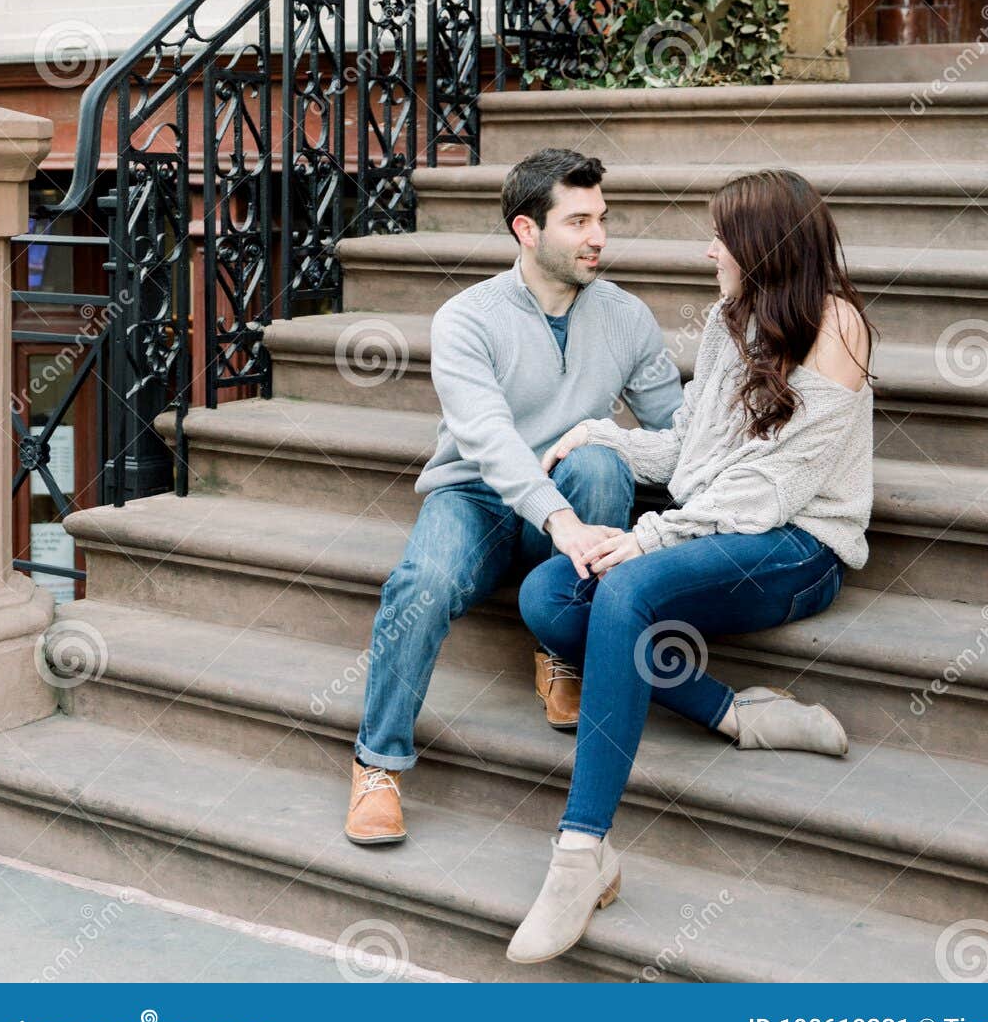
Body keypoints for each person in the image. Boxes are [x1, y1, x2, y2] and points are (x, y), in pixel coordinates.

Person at [506, 168, 876, 965]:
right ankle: (733, 713)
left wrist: (646, 539)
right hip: (711, 530)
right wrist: (601, 435)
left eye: (722, 235)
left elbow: (769, 488)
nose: (710, 249)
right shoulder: (725, 321)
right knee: (547, 592)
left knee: (626, 584)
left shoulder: (837, 328)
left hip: (796, 548)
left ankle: (581, 851)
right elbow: (691, 454)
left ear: (763, 245)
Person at [345, 147, 684, 845]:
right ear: (527, 231)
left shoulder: (626, 317)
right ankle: (377, 765)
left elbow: (675, 431)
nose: (598, 237)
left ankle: (558, 640)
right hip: (473, 497)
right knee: (422, 582)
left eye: (603, 219)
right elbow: (488, 440)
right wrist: (559, 522)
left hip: (570, 501)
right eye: (579, 221)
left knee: (599, 460)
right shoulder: (467, 318)